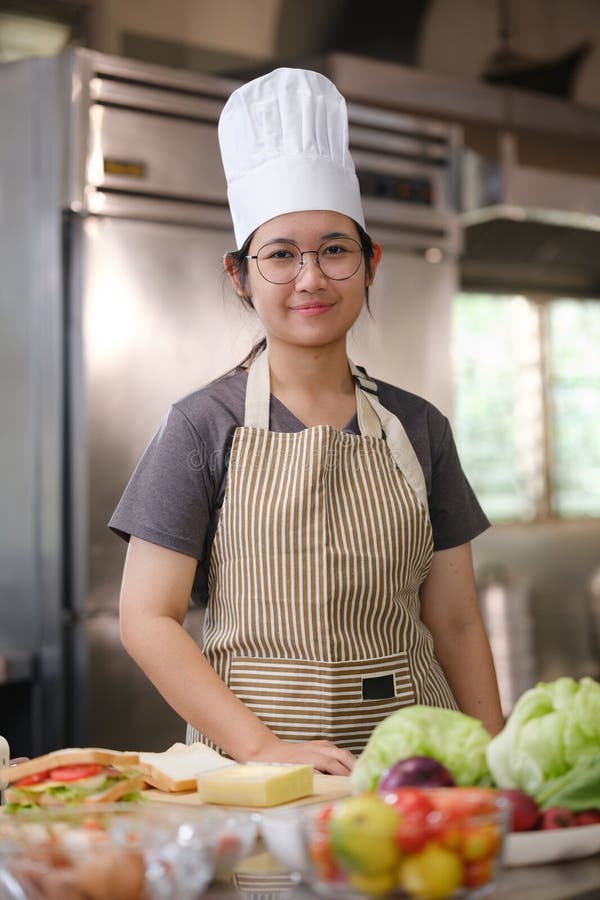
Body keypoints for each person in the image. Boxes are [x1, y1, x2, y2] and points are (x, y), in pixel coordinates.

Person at [110, 68, 504, 775]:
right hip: (257, 777)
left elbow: (456, 621)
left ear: (370, 262)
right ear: (240, 275)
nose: (311, 278)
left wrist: (496, 763)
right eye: (281, 255)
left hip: (414, 771)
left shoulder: (419, 427)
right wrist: (264, 749)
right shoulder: (201, 426)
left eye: (334, 249)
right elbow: (146, 618)